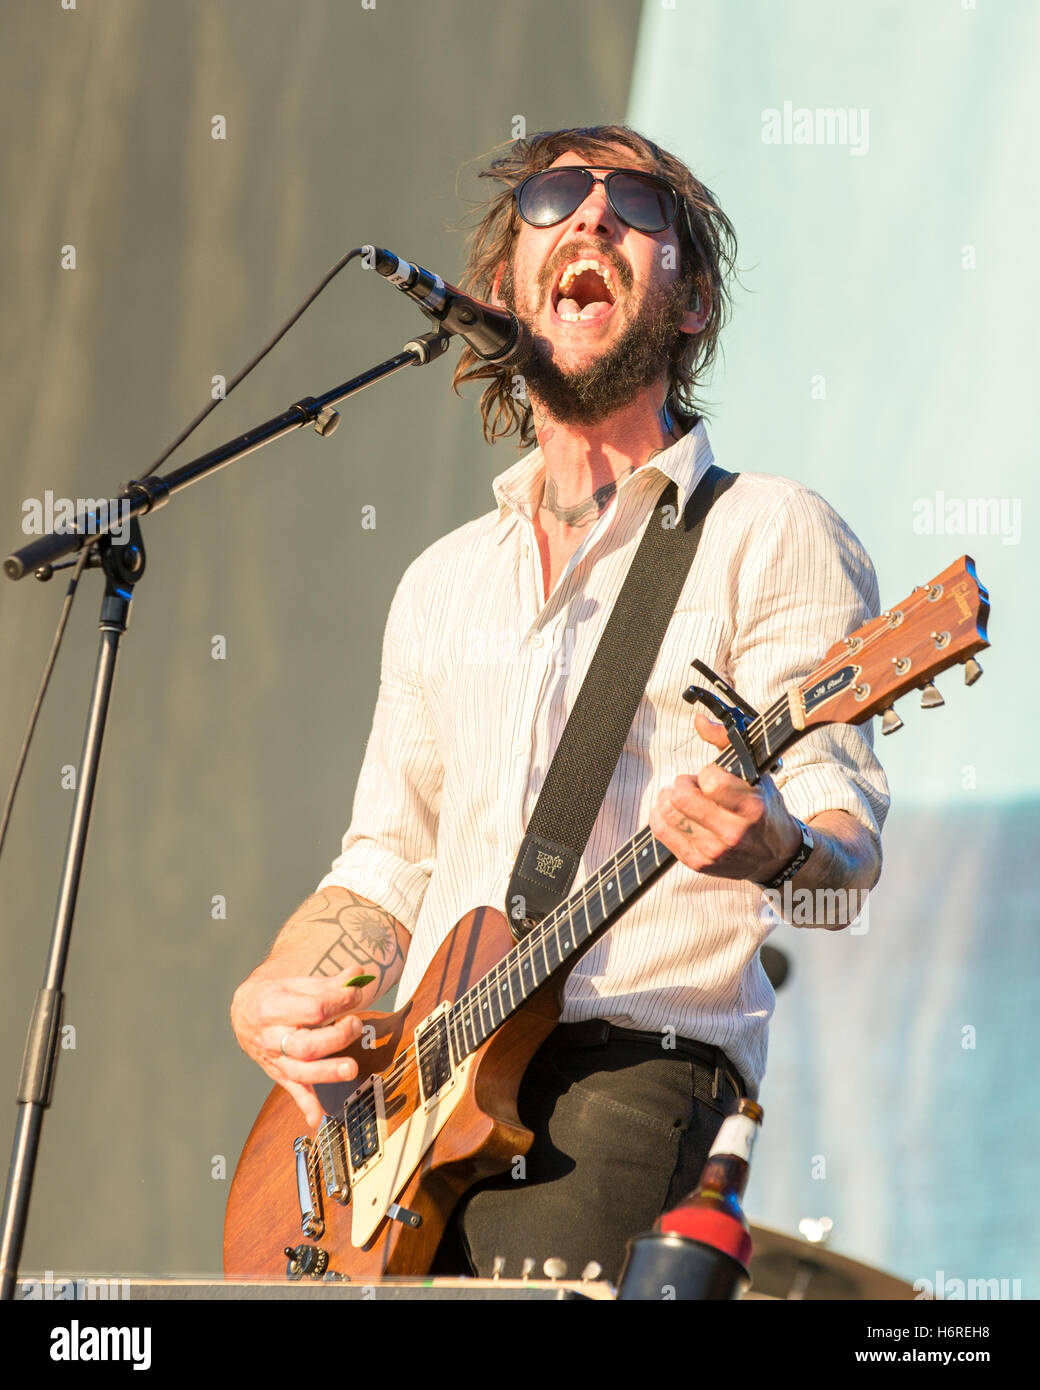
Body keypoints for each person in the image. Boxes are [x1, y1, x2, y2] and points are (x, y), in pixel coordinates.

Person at [230, 124, 889, 1284]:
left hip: (624, 1083)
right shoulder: (441, 579)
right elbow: (385, 861)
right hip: (402, 1114)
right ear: (501, 293)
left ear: (689, 307)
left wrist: (775, 842)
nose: (589, 218)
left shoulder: (766, 530)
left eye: (633, 206)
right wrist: (282, 993)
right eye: (554, 198)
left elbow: (844, 851)